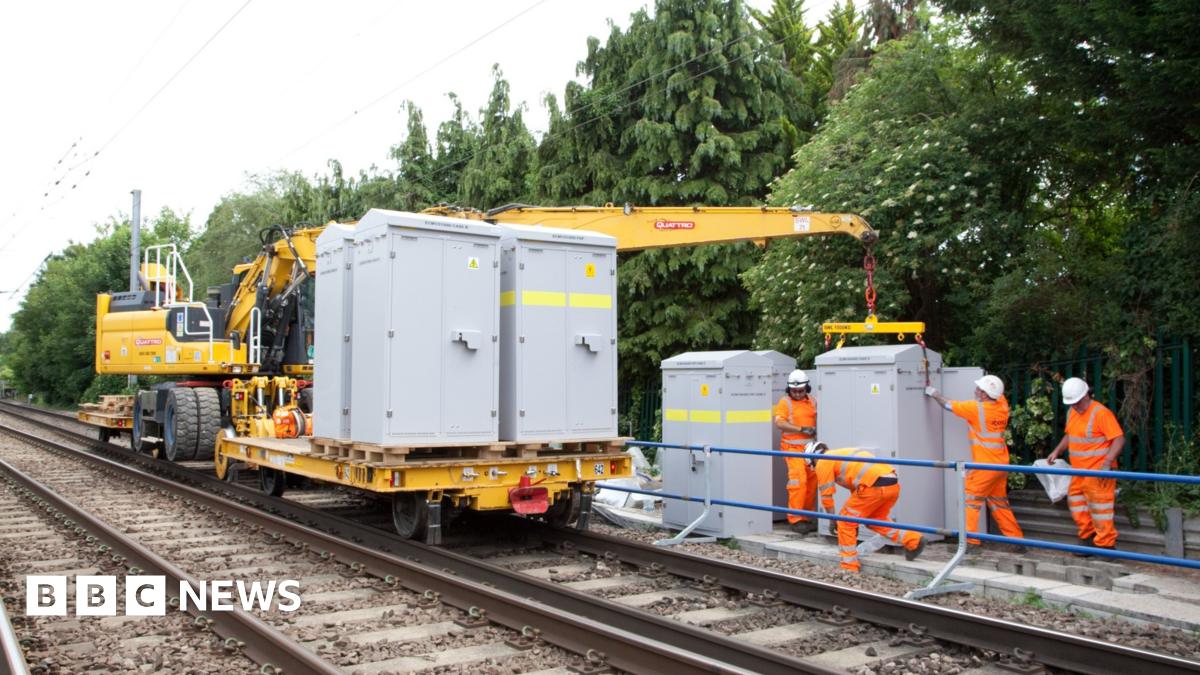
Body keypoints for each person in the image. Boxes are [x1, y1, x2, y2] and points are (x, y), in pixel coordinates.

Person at [925, 375, 1025, 547]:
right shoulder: (1002, 405)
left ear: (985, 394)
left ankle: (970, 542)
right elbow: (998, 394)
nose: (976, 391)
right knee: (999, 503)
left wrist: (934, 393)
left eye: (979, 389)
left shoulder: (975, 409)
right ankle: (1017, 541)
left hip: (984, 465)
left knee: (969, 500)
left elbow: (948, 404)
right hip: (1001, 463)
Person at [808, 443, 925, 572]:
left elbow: (826, 496)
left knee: (844, 522)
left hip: (873, 487)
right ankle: (914, 540)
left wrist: (832, 520)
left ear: (813, 459)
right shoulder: (841, 454)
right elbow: (856, 491)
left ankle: (849, 566)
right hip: (891, 485)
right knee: (874, 519)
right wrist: (855, 521)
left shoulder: (823, 461)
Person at [1046, 377, 1125, 553]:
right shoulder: (1072, 412)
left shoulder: (1101, 413)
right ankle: (1087, 539)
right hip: (1079, 471)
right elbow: (1070, 435)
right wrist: (1057, 451)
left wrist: (1106, 465)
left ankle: (1106, 546)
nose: (1074, 406)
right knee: (1077, 506)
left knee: (1100, 510)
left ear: (1085, 396)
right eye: (1071, 403)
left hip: (1098, 472)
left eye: (1077, 402)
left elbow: (1118, 439)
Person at [774, 369, 818, 533]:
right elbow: (779, 423)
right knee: (799, 482)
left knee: (812, 484)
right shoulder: (785, 403)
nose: (798, 394)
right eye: (794, 391)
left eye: (801, 391)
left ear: (807, 388)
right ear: (789, 390)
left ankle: (806, 517)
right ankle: (795, 519)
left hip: (810, 451)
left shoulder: (813, 401)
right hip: (792, 449)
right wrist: (801, 429)